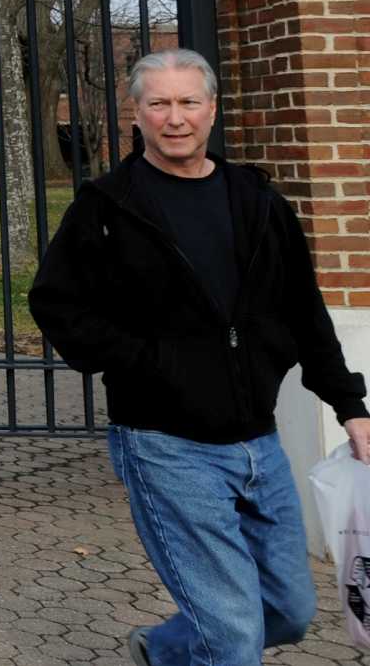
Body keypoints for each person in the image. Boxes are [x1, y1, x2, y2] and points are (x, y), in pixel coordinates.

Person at [29, 48, 370, 665]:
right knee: (234, 636)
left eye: (189, 101)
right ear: (137, 113)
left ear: (212, 110)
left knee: (289, 612)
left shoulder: (257, 200)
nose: (175, 117)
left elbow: (304, 308)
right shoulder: (108, 206)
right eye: (159, 103)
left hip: (259, 445)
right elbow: (57, 304)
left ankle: (164, 650)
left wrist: (350, 404)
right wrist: (146, 361)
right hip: (165, 443)